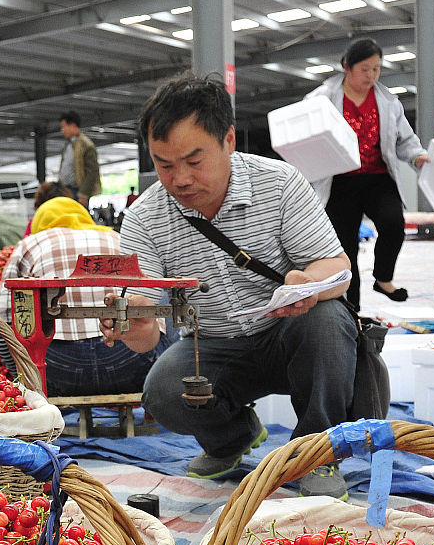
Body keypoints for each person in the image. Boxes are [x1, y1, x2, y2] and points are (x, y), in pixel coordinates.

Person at [102, 74, 355, 500]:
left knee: (328, 320)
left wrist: (309, 283)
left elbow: (338, 267)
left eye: (193, 161)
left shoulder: (279, 184)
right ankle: (232, 438)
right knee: (162, 390)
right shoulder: (145, 218)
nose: (179, 178)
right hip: (214, 347)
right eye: (164, 165)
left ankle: (316, 452)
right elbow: (147, 334)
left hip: (289, 334)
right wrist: (130, 322)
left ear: (229, 140)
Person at [0, 197, 172, 396]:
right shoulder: (116, 237)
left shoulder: (30, 243)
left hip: (56, 367)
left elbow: (0, 325)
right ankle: (157, 393)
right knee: (165, 300)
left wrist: (24, 379)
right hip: (132, 362)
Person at [306, 37, 429, 307]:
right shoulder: (321, 99)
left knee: (394, 223)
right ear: (347, 68)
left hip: (376, 177)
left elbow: (405, 140)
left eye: (376, 68)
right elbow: (305, 132)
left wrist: (417, 155)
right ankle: (352, 309)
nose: (371, 75)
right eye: (365, 69)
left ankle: (383, 278)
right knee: (344, 247)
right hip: (339, 181)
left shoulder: (388, 102)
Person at [57, 111, 101, 207]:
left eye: (64, 127)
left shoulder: (86, 145)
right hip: (66, 190)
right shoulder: (68, 145)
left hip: (77, 191)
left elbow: (92, 172)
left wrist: (84, 194)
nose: (62, 130)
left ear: (72, 125)